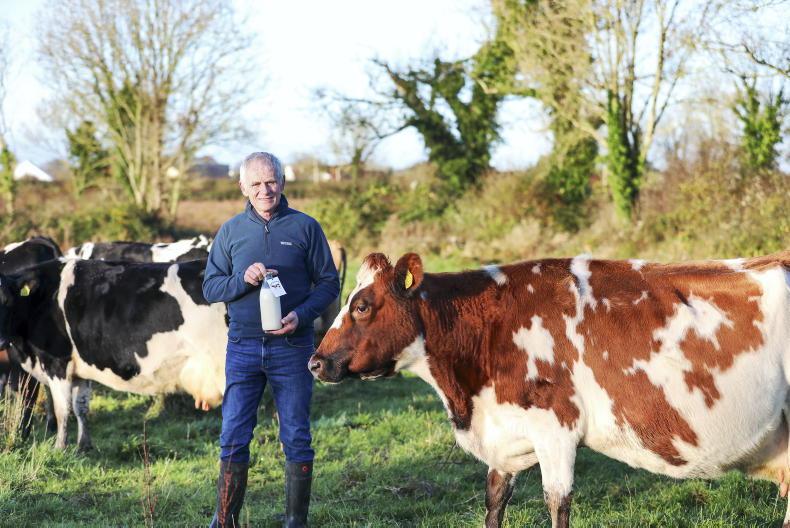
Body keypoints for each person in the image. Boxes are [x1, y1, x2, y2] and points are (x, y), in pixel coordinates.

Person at [203, 152, 340, 528]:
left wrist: (302, 316)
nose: (265, 190)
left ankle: (295, 522)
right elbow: (210, 287)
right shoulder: (230, 231)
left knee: (296, 435)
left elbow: (329, 283)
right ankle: (225, 520)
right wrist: (241, 279)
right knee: (233, 435)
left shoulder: (305, 227)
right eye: (257, 184)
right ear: (243, 187)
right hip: (243, 347)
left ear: (281, 181)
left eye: (271, 181)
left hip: (292, 348)